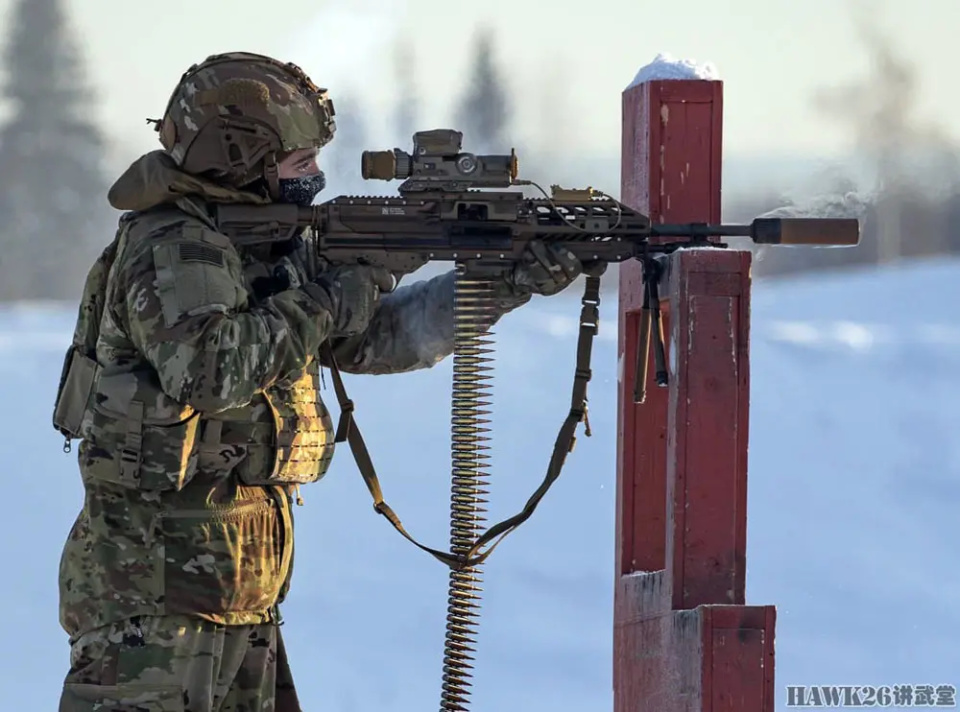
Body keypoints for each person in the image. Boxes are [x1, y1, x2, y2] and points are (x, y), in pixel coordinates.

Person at [51, 52, 595, 711]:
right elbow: (212, 368)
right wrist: (337, 293)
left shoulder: (265, 249)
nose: (315, 175)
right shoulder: (175, 246)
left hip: (237, 599)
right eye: (299, 162)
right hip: (153, 610)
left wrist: (505, 283)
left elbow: (382, 338)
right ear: (238, 156)